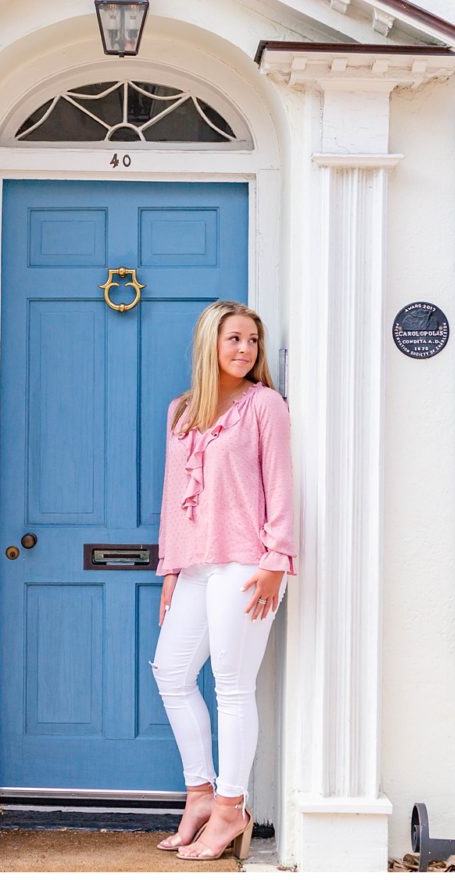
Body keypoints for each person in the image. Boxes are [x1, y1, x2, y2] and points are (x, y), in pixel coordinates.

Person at [150, 299, 296, 862]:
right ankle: (201, 795)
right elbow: (173, 496)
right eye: (234, 338)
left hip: (247, 563)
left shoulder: (265, 405)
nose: (245, 349)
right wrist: (171, 566)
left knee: (233, 686)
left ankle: (232, 807)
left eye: (253, 340)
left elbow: (280, 483)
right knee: (171, 672)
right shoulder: (181, 410)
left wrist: (276, 560)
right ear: (210, 343)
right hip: (195, 564)